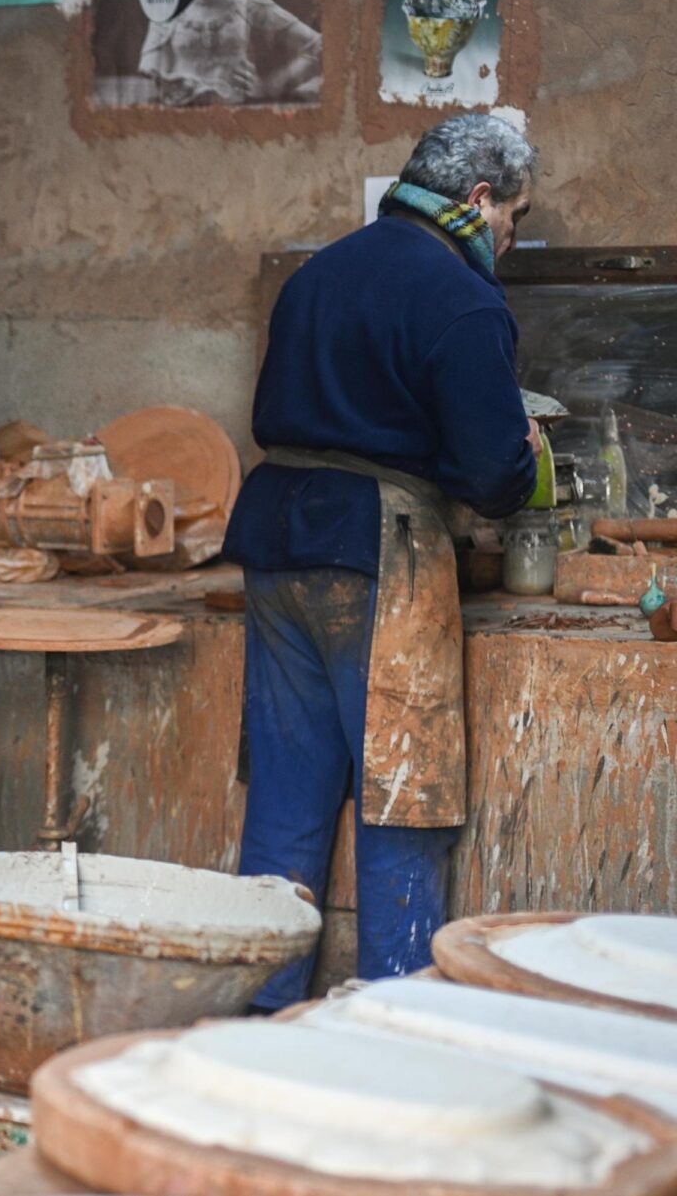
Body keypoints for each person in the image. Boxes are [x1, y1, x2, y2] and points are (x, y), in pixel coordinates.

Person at [222, 113, 541, 1008]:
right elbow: (489, 474)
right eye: (513, 220)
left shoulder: (319, 272)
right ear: (477, 201)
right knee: (401, 796)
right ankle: (395, 1027)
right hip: (376, 550)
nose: (508, 243)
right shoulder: (462, 296)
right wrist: (523, 453)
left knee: (287, 803)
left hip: (279, 540)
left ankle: (261, 1020)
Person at [139, 0, 321, 106]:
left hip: (236, 115)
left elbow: (319, 46)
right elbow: (151, 68)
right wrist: (173, 84)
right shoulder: (167, 13)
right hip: (181, 117)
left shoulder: (250, 6)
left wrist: (272, 85)